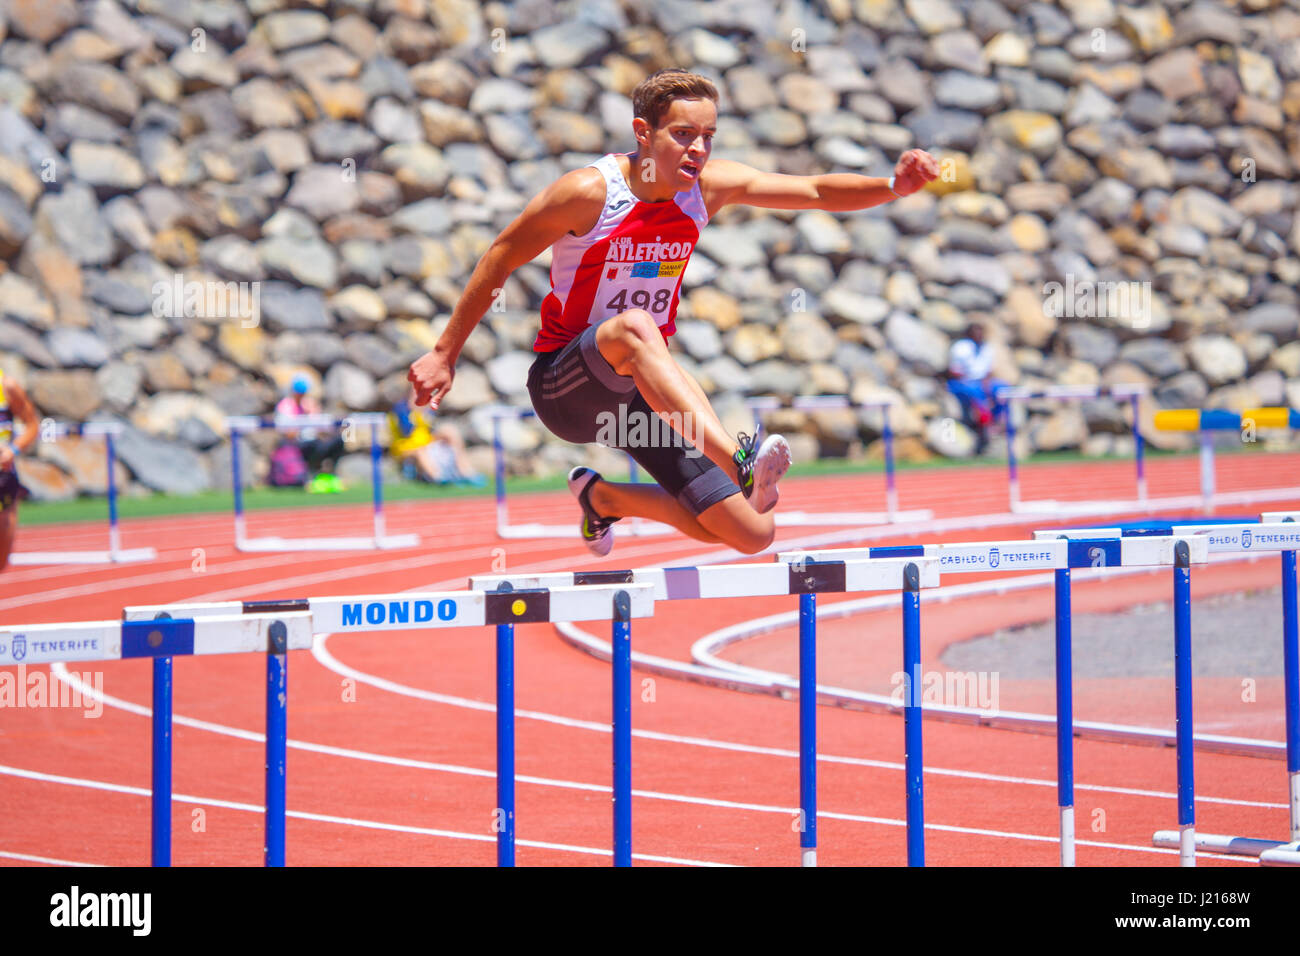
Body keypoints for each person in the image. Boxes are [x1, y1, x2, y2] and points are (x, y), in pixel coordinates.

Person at [408, 68, 938, 555]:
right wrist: (443, 353)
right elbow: (501, 254)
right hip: (565, 387)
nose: (699, 150)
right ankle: (741, 462)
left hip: (636, 402)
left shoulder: (706, 191)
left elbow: (816, 190)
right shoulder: (588, 193)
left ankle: (605, 501)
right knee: (637, 328)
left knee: (753, 533)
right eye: (683, 134)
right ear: (644, 133)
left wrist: (893, 187)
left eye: (708, 136)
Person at [389, 389, 484, 486]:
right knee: (420, 451)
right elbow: (407, 431)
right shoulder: (401, 408)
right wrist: (415, 413)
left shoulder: (426, 408)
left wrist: (424, 413)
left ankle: (465, 471)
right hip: (406, 446)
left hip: (425, 442)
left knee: (449, 431)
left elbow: (430, 429)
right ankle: (437, 477)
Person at [273, 375, 345, 490]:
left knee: (339, 441)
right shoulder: (285, 406)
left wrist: (315, 419)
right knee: (314, 445)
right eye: (299, 392)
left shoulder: (308, 404)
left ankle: (329, 474)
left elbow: (320, 427)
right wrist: (303, 424)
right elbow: (288, 434)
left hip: (314, 440)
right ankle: (310, 475)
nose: (301, 395)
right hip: (297, 444)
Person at [0, 367, 40, 572]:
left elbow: (33, 424)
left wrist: (13, 450)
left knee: (2, 557)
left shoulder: (7, 387)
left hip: (3, 476)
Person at [946, 322, 1006, 452]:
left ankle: (997, 421)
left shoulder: (987, 348)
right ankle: (985, 422)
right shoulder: (960, 347)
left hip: (980, 382)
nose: (979, 335)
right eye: (975, 332)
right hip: (962, 383)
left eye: (980, 332)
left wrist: (986, 386)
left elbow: (988, 373)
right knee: (973, 390)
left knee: (1003, 389)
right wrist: (971, 379)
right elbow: (954, 372)